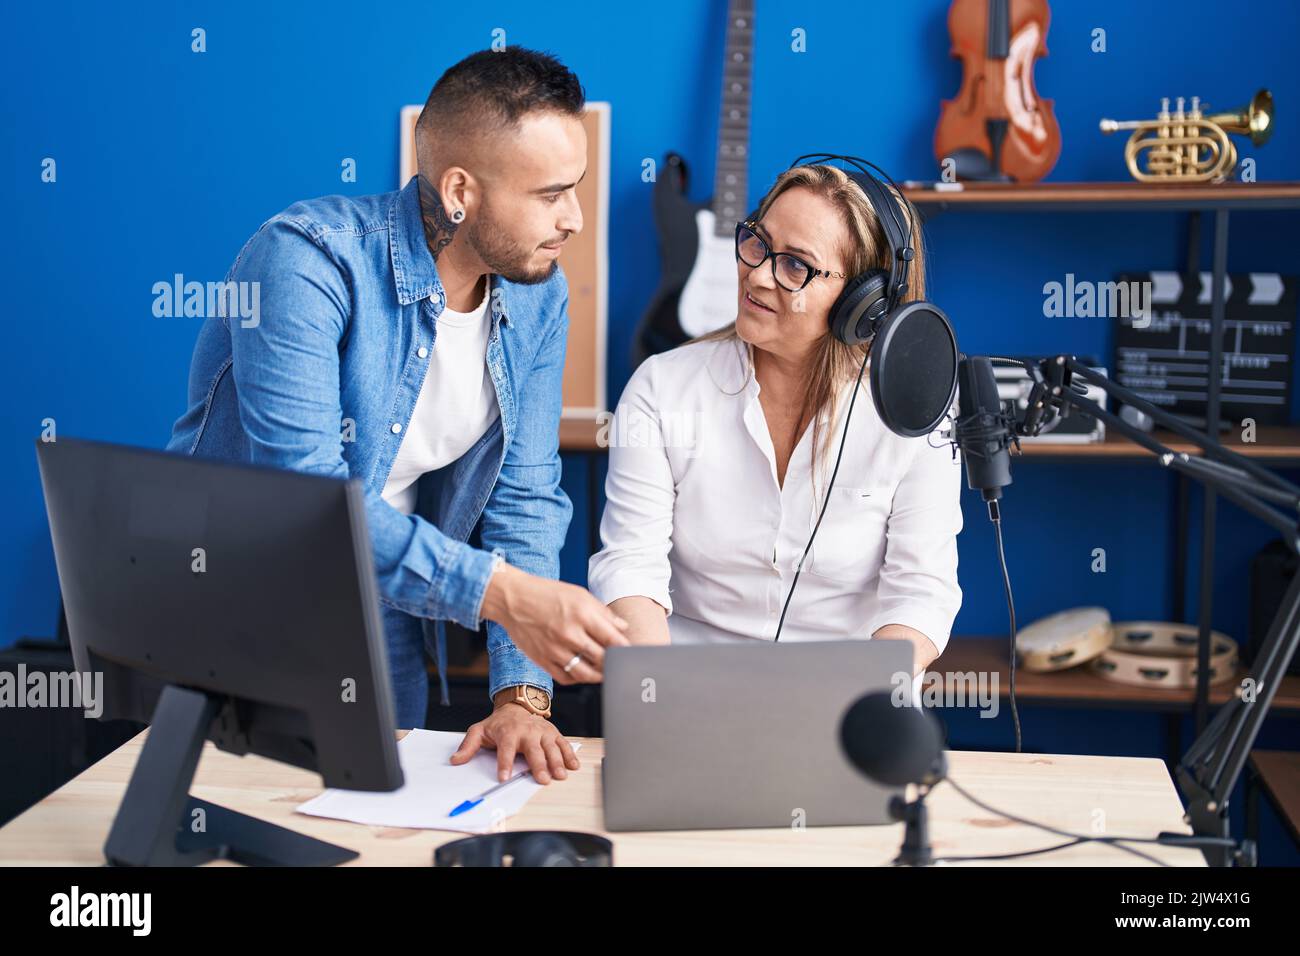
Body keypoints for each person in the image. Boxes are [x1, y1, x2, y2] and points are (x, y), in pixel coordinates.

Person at [169, 47, 627, 785]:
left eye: (575, 189)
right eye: (550, 195)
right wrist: (502, 594)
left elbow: (525, 496)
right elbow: (308, 501)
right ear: (460, 191)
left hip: (384, 602)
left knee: (379, 818)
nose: (572, 218)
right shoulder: (305, 261)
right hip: (241, 598)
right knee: (234, 812)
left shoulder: (539, 293)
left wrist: (521, 696)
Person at [588, 163, 962, 695]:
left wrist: (852, 703)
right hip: (689, 692)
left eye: (795, 265)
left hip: (852, 699)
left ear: (864, 302)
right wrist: (656, 697)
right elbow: (631, 565)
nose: (759, 275)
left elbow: (921, 593)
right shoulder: (661, 387)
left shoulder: (914, 413)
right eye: (757, 243)